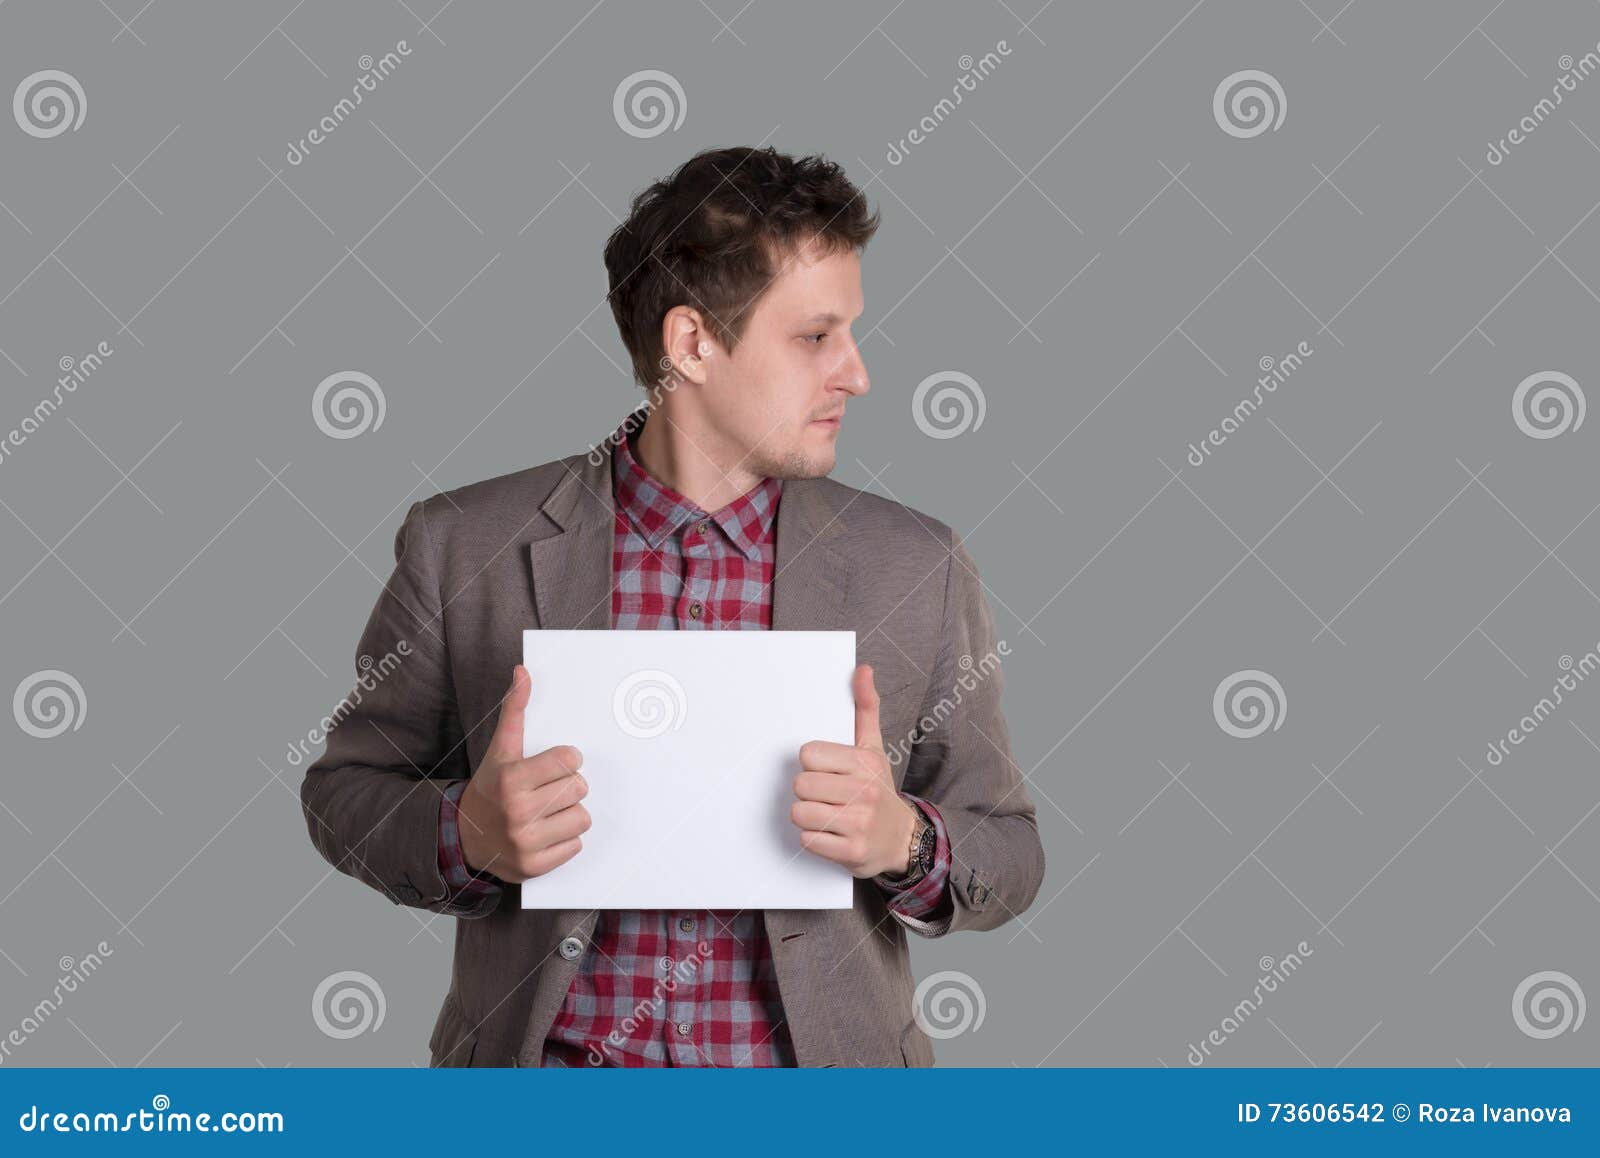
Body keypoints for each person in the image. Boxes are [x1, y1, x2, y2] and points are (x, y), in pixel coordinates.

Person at [300, 145, 1044, 1067]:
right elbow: (343, 795)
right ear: (691, 344)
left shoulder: (914, 565)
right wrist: (469, 834)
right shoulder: (464, 544)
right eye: (815, 337)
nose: (856, 374)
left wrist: (905, 840)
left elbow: (1011, 854)